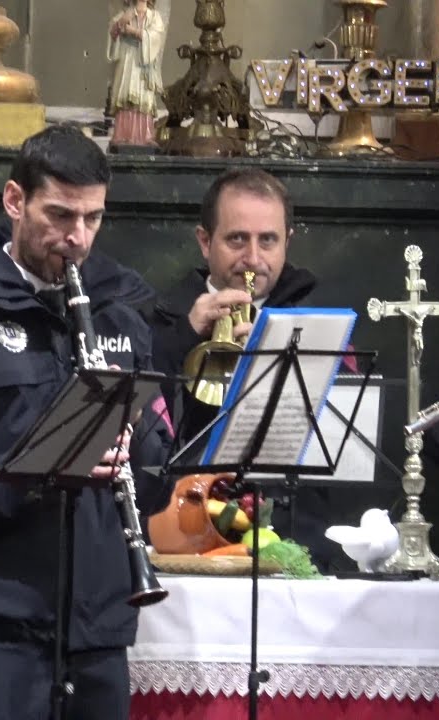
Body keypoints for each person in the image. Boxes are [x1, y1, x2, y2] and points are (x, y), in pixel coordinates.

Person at [0, 125, 173, 720]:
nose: (78, 237)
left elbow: (156, 476)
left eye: (93, 218)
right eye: (60, 215)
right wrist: (37, 474)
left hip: (97, 626)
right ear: (15, 201)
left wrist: (139, 449)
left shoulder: (121, 320)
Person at [143, 167, 331, 565]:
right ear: (204, 241)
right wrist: (182, 337)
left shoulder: (314, 325)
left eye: (268, 240)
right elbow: (140, 429)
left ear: (287, 243)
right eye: (237, 239)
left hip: (289, 535)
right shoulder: (155, 321)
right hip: (185, 532)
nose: (253, 259)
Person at [107, 0, 166, 148]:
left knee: (143, 96)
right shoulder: (125, 14)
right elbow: (113, 34)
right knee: (126, 94)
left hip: (144, 62)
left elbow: (156, 37)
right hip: (127, 58)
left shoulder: (154, 16)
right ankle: (123, 134)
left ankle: (145, 135)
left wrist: (134, 32)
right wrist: (122, 22)